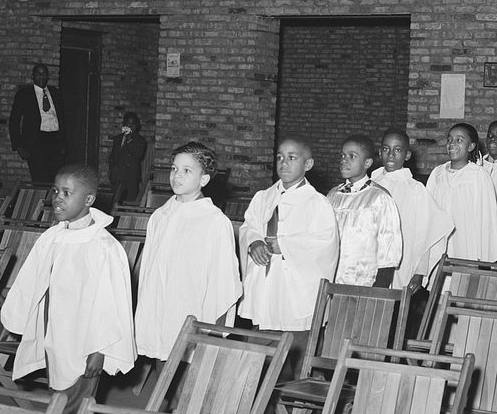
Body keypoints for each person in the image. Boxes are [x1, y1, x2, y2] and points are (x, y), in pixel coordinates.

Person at [0, 164, 135, 414]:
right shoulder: (53, 236)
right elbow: (34, 281)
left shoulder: (104, 247)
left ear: (88, 199)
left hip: (85, 341)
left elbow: (112, 303)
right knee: (61, 395)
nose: (57, 199)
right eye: (55, 191)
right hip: (56, 333)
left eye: (66, 193)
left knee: (71, 407)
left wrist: (100, 350)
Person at [238, 134, 339, 380]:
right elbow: (249, 226)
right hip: (266, 287)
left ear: (308, 165)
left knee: (298, 359)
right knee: (262, 356)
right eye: (280, 157)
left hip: (296, 293)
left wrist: (284, 246)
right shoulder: (264, 197)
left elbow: (325, 245)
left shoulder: (317, 203)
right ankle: (263, 412)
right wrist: (254, 242)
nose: (284, 163)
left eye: (292, 158)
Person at [134, 142, 241, 363]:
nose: (176, 176)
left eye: (186, 170)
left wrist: (215, 327)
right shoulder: (160, 216)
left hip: (191, 306)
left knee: (188, 376)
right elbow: (149, 272)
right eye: (174, 168)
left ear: (203, 180)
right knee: (161, 362)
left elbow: (223, 278)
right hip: (161, 306)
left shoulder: (214, 221)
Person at [370, 128, 453, 297]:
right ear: (380, 152)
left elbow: (428, 234)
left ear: (407, 155)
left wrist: (419, 272)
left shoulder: (415, 190)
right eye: (386, 149)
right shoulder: (371, 183)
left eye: (397, 150)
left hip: (402, 264)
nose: (391, 155)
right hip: (369, 261)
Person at [326, 135, 403, 288]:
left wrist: (378, 290)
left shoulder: (378, 198)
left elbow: (389, 249)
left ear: (367, 163)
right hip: (331, 278)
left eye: (352, 156)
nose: (344, 160)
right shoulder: (333, 196)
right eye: (342, 155)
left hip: (363, 282)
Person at [426, 123, 497, 262]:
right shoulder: (437, 174)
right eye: (449, 139)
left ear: (471, 146)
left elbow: (487, 219)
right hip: (438, 243)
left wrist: (485, 256)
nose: (452, 144)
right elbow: (427, 213)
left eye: (459, 140)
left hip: (466, 245)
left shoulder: (478, 176)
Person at [8, 63, 67, 184]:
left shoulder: (55, 93)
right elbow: (14, 121)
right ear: (33, 76)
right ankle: (40, 202)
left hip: (55, 141)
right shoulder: (24, 95)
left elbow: (62, 119)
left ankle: (52, 203)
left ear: (48, 76)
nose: (41, 76)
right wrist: (18, 146)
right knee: (40, 180)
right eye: (38, 74)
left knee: (55, 181)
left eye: (44, 73)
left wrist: (63, 143)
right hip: (36, 142)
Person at [108, 112, 148, 203]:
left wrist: (129, 140)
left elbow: (139, 155)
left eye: (132, 124)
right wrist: (111, 170)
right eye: (127, 124)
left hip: (131, 177)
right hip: (118, 176)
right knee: (116, 202)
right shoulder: (118, 139)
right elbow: (112, 156)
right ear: (123, 125)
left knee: (130, 203)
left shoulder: (140, 141)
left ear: (136, 126)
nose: (130, 126)